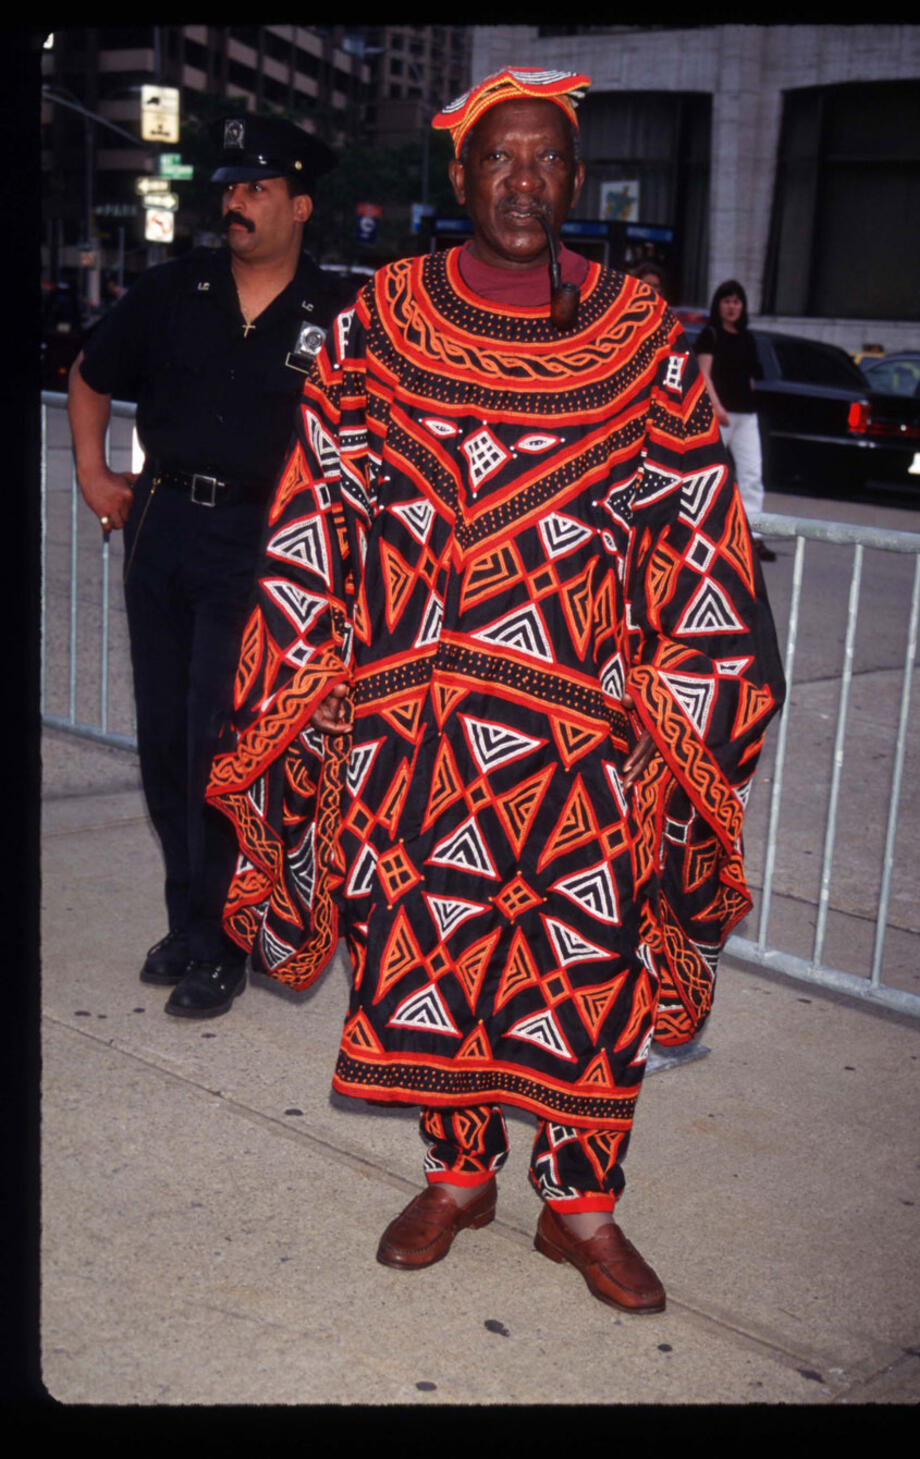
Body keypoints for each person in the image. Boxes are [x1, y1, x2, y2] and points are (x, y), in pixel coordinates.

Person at [206, 69, 785, 1312]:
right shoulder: (378, 325)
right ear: (461, 176)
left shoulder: (643, 339)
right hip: (411, 726)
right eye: (499, 160)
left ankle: (580, 1208)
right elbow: (318, 506)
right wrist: (311, 673)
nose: (523, 183)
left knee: (588, 962)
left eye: (547, 161)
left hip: (583, 734)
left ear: (575, 180)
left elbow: (696, 531)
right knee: (430, 943)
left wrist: (675, 704)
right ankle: (458, 1177)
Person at [67, 115, 359, 1019]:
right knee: (164, 742)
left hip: (264, 547)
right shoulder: (173, 289)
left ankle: (224, 941)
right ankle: (188, 921)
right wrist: (93, 472)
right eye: (231, 188)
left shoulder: (337, 314)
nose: (236, 202)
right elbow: (89, 374)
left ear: (300, 206)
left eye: (257, 189)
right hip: (162, 529)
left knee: (223, 745)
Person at [694, 280, 776, 561]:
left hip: (746, 416)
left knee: (752, 474)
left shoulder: (748, 338)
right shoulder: (710, 335)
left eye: (736, 301)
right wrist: (716, 407)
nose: (732, 307)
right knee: (710, 473)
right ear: (718, 305)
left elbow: (751, 377)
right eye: (727, 301)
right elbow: (703, 375)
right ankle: (702, 532)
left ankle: (754, 536)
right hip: (719, 415)